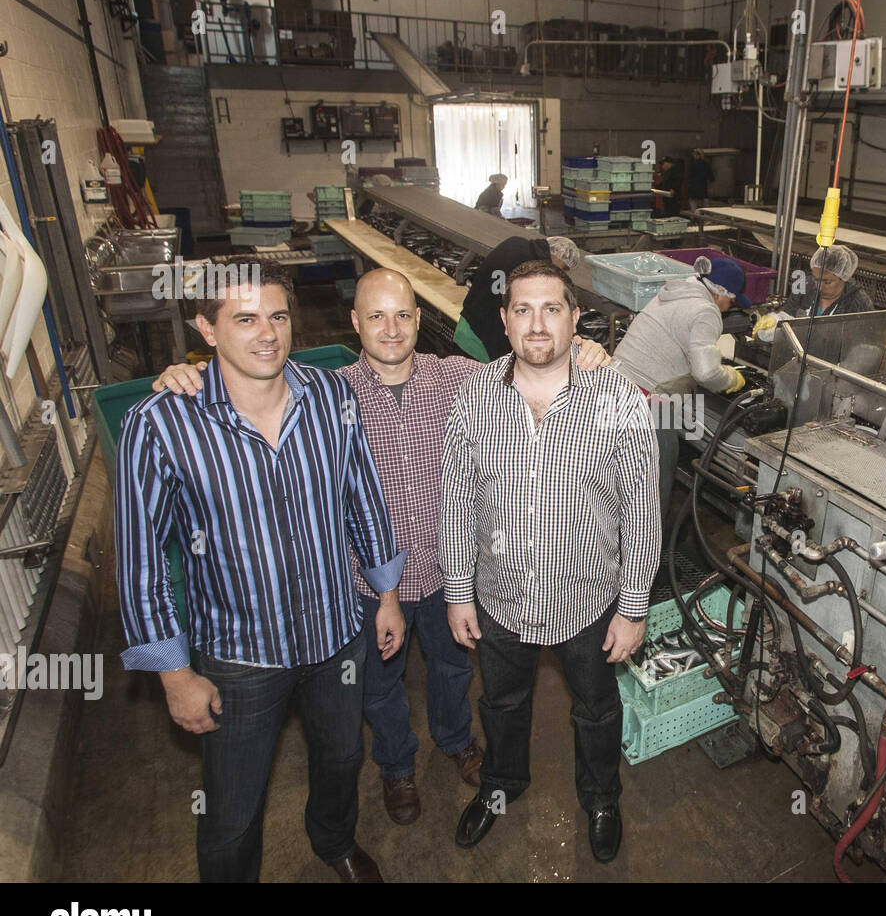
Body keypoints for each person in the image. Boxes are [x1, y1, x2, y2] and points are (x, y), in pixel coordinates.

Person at [150, 267, 611, 829]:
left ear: (419, 320)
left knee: (451, 669)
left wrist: (587, 349)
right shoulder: (324, 393)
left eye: (402, 315)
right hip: (368, 583)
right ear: (354, 323)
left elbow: (534, 355)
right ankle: (396, 766)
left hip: (449, 576)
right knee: (376, 686)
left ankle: (457, 742)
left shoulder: (459, 381)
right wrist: (189, 371)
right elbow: (248, 372)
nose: (390, 329)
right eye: (375, 316)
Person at [116, 261, 405, 883]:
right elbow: (140, 560)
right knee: (232, 807)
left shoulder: (331, 396)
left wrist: (386, 593)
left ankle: (334, 841)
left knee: (341, 757)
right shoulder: (160, 425)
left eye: (277, 316)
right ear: (206, 328)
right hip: (240, 656)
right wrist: (173, 674)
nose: (267, 333)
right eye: (244, 319)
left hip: (336, 637)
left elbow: (363, 495)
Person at [441, 259, 660, 864]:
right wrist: (459, 592)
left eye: (552, 309)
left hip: (588, 600)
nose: (538, 324)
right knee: (502, 703)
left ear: (575, 319)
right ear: (505, 321)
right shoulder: (475, 396)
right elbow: (457, 502)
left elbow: (641, 513)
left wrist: (634, 609)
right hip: (501, 596)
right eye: (522, 310)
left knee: (596, 708)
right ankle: (501, 785)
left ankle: (601, 796)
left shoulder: (619, 399)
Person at [610, 255, 752, 521]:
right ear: (722, 294)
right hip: (647, 402)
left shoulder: (673, 293)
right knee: (656, 478)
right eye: (730, 302)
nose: (727, 308)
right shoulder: (706, 310)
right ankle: (648, 552)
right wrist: (731, 379)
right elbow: (707, 372)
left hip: (614, 389)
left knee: (615, 479)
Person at [455, 234, 583, 362]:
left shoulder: (515, 243)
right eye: (564, 267)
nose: (561, 272)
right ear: (559, 255)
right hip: (483, 341)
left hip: (468, 324)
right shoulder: (534, 270)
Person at [789, 244, 875, 317]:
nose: (820, 287)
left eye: (827, 282)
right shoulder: (804, 287)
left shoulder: (858, 303)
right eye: (816, 279)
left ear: (844, 277)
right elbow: (787, 316)